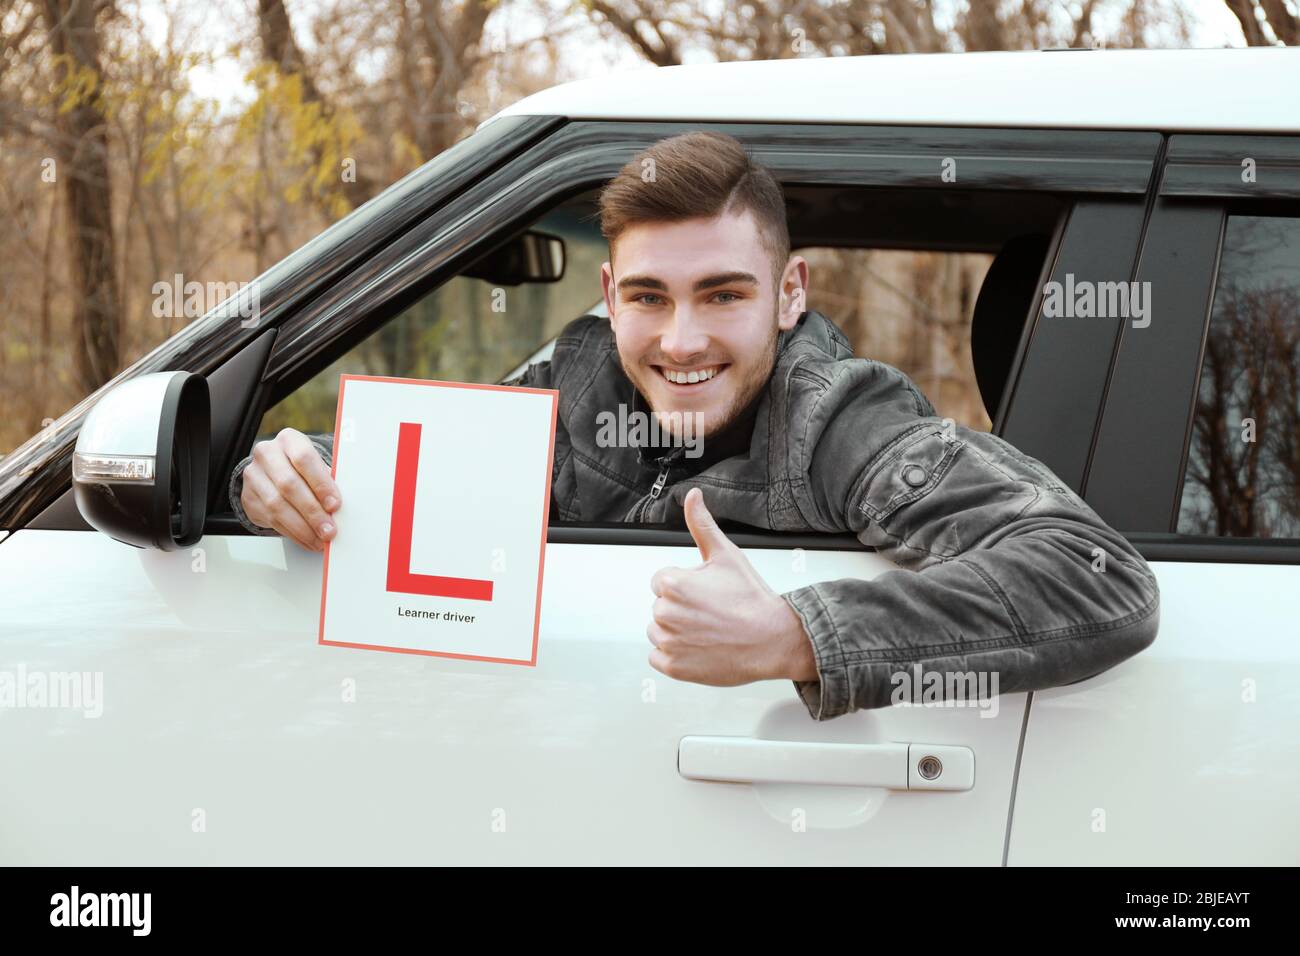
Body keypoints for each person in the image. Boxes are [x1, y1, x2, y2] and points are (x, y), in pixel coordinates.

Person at [229, 131, 1160, 720]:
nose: (681, 340)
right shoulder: (578, 376)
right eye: (649, 297)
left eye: (723, 294)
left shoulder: (837, 417)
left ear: (789, 294)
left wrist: (798, 636)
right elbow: (419, 470)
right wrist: (285, 472)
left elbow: (1101, 576)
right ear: (609, 297)